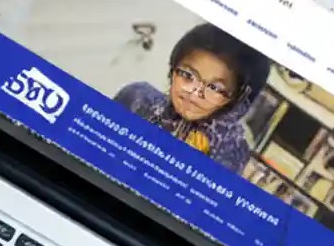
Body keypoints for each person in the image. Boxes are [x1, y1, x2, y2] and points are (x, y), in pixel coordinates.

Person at [114, 23, 271, 172]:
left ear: (238, 102)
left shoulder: (231, 153)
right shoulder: (137, 98)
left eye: (215, 88)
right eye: (188, 75)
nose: (194, 93)